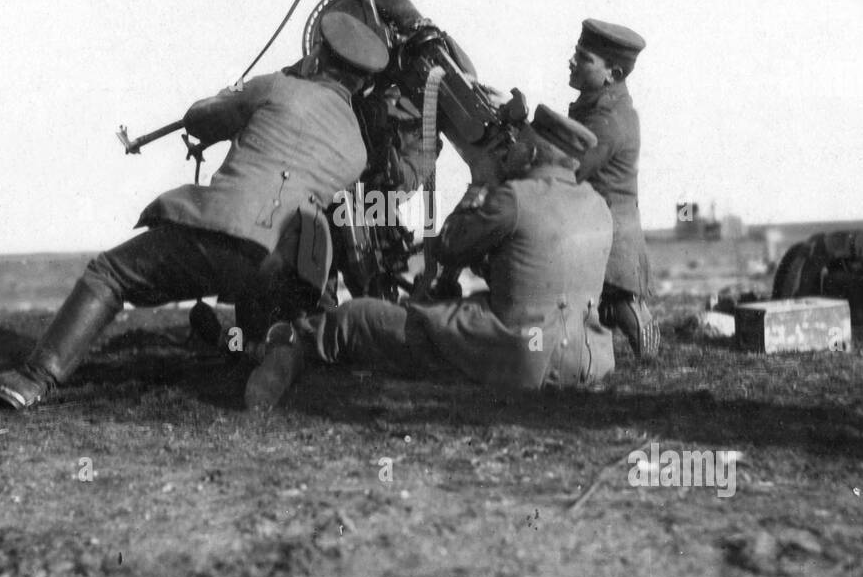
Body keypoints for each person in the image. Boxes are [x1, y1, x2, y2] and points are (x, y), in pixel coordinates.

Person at [0, 11, 389, 410]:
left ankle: (33, 379)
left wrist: (241, 97)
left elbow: (201, 118)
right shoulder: (356, 148)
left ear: (315, 54)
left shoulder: (278, 86)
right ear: (362, 82)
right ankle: (272, 350)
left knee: (109, 274)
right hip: (285, 263)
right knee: (262, 308)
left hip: (226, 231)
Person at [244, 105, 616, 410]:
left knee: (356, 317)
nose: (512, 149)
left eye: (520, 145)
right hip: (586, 362)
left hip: (518, 360)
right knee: (440, 311)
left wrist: (479, 184)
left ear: (532, 153)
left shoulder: (514, 198)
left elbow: (452, 243)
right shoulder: (598, 205)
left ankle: (285, 349)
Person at [567, 19, 660, 361]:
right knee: (613, 306)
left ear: (613, 74)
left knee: (626, 306)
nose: (573, 61)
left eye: (584, 57)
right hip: (604, 229)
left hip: (611, 237)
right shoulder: (599, 107)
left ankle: (651, 359)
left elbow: (569, 167)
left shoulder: (607, 119)